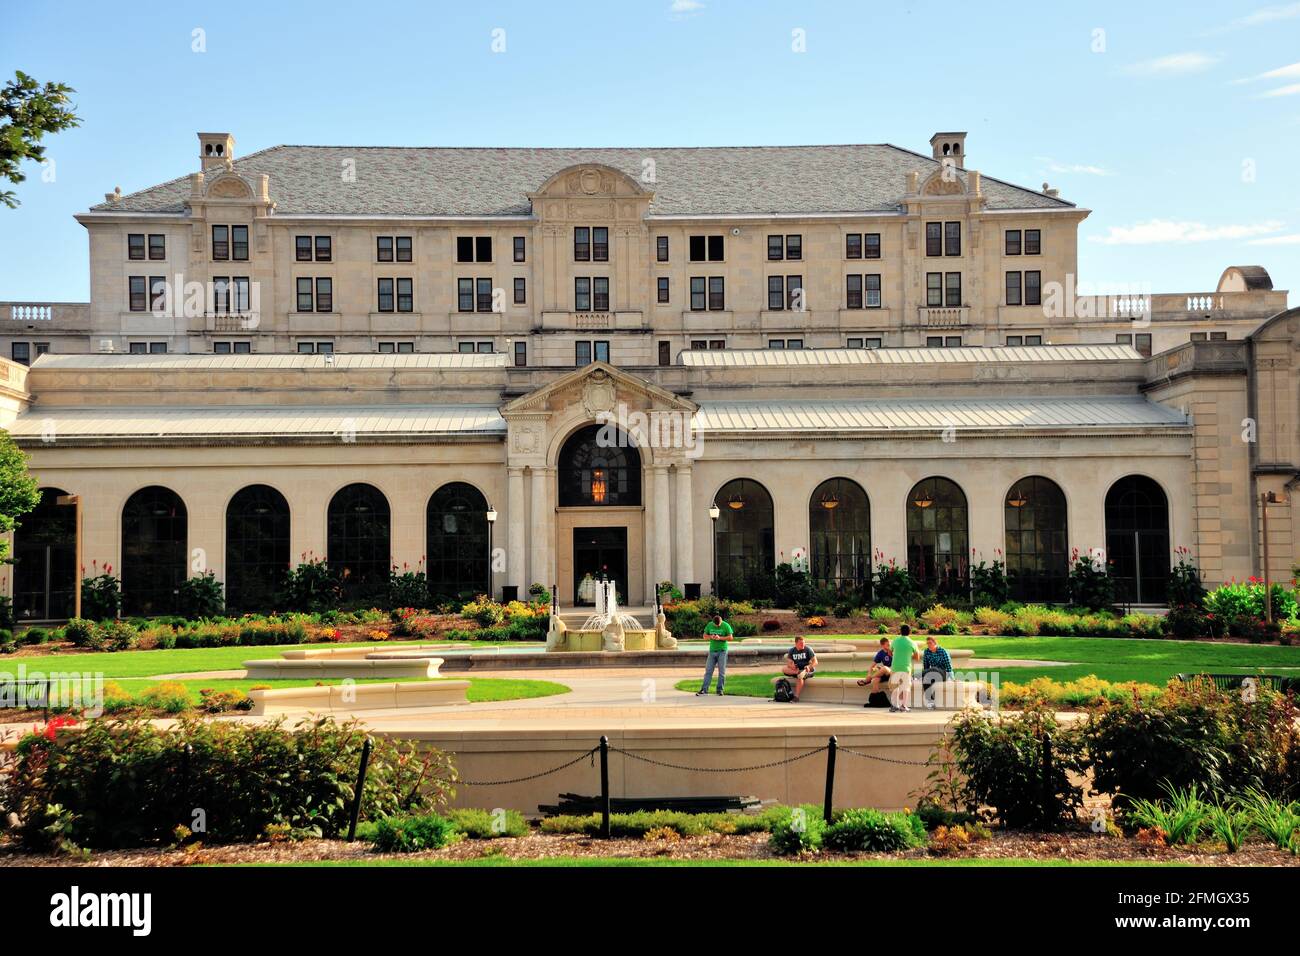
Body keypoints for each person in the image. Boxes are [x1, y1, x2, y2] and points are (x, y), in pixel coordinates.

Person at [696, 614, 733, 696]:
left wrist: (720, 638)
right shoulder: (709, 625)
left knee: (722, 672)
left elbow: (730, 637)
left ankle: (720, 690)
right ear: (713, 622)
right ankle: (704, 690)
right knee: (708, 671)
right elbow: (704, 636)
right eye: (715, 625)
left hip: (722, 651)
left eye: (718, 625)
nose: (717, 626)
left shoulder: (726, 625)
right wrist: (711, 636)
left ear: (721, 621)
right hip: (712, 651)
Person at [886, 624, 920, 713]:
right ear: (910, 632)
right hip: (906, 668)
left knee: (894, 686)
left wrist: (896, 655)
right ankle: (903, 706)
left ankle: (894, 706)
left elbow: (889, 652)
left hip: (895, 667)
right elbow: (917, 657)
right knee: (906, 687)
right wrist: (909, 655)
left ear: (900, 631)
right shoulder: (912, 643)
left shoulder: (895, 640)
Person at [921, 635, 954, 710]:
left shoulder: (943, 651)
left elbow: (948, 666)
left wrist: (952, 678)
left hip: (944, 673)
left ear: (935, 643)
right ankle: (930, 702)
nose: (928, 645)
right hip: (933, 673)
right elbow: (926, 665)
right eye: (927, 643)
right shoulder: (926, 651)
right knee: (925, 679)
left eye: (930, 643)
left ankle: (915, 676)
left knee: (934, 668)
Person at [857, 636, 892, 705]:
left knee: (884, 668)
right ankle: (875, 702)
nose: (889, 646)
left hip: (893, 672)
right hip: (885, 673)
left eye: (890, 644)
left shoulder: (893, 651)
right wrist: (869, 674)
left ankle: (867, 681)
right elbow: (871, 666)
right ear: (882, 645)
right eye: (888, 645)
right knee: (875, 680)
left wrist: (881, 668)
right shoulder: (880, 653)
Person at [782, 635, 817, 702]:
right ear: (796, 643)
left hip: (807, 670)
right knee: (784, 669)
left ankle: (796, 697)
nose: (803, 645)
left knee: (800, 676)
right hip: (796, 670)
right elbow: (789, 663)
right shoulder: (792, 650)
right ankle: (797, 673)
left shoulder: (808, 649)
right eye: (801, 643)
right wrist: (792, 666)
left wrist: (809, 666)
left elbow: (815, 662)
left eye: (804, 643)